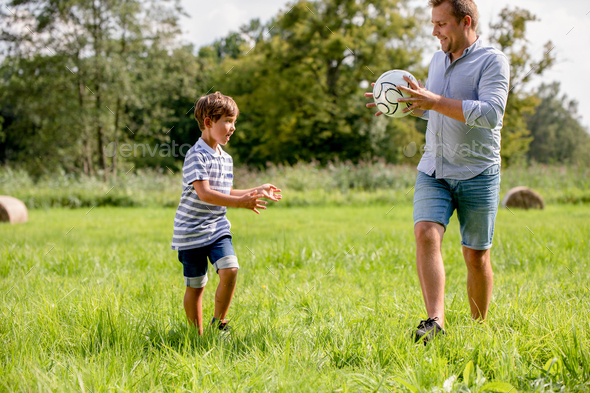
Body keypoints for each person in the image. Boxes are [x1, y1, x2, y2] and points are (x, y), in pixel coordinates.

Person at [365, 0, 510, 343]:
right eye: (433, 23)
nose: (434, 32)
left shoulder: (493, 61)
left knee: (475, 256)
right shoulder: (436, 60)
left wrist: (433, 101)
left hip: (478, 171)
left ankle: (478, 329)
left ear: (466, 21)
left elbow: (491, 114)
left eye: (441, 24)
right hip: (434, 169)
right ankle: (435, 322)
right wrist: (406, 106)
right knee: (426, 233)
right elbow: (436, 110)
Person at [171, 92, 282, 335]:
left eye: (234, 122)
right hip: (190, 232)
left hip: (217, 227)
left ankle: (217, 324)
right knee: (196, 286)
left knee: (230, 269)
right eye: (227, 121)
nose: (232, 128)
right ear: (209, 122)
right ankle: (196, 336)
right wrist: (240, 203)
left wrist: (256, 189)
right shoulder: (195, 155)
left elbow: (225, 191)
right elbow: (206, 194)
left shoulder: (226, 158)